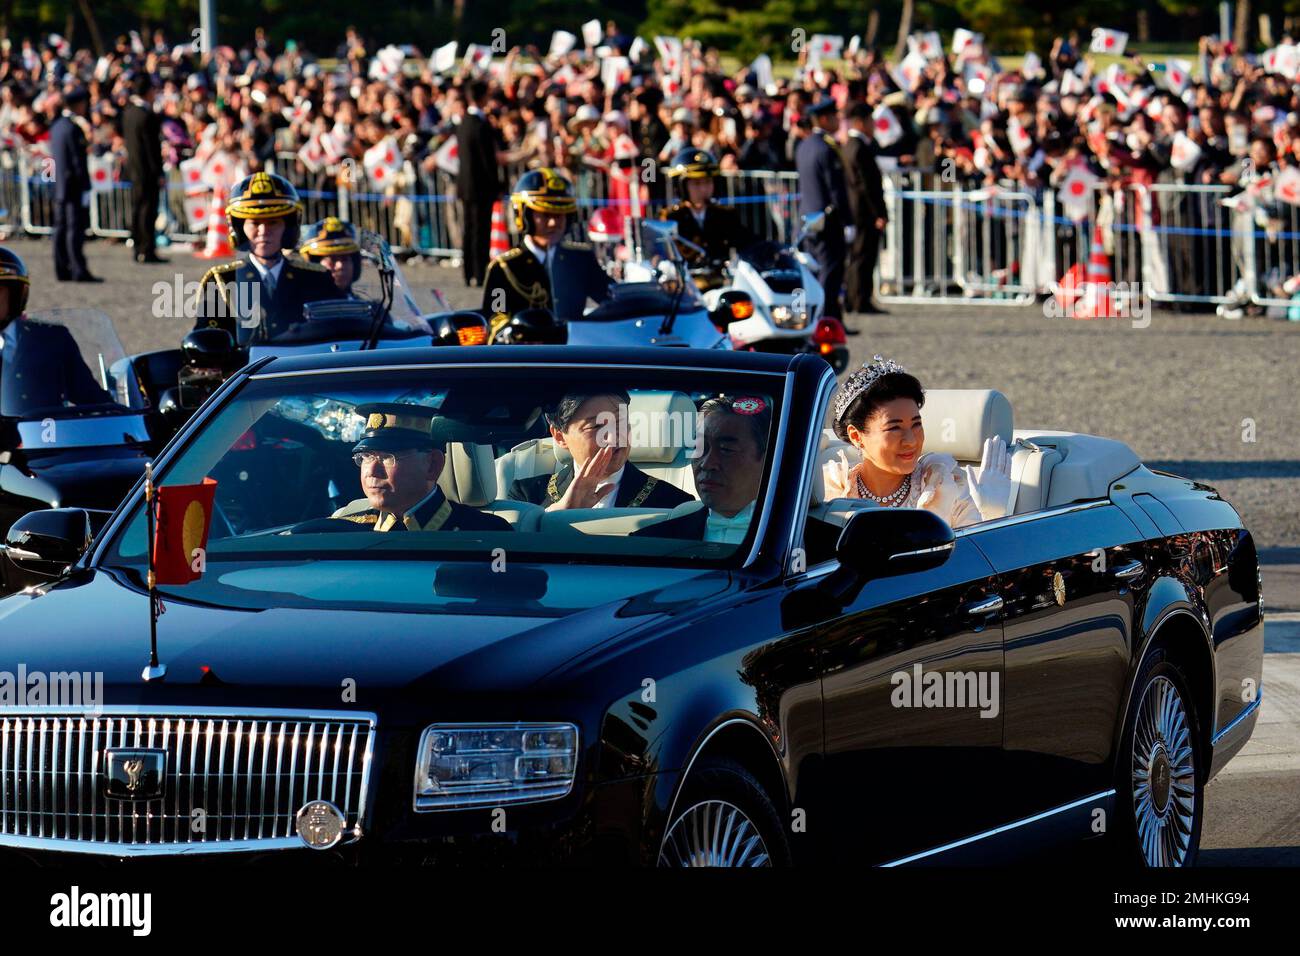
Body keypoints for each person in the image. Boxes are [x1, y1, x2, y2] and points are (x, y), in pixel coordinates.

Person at [822, 356, 1011, 527]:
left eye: (916, 424)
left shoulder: (944, 484)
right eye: (894, 428)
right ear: (856, 436)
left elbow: (974, 559)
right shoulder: (831, 490)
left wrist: (991, 514)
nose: (911, 441)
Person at [192, 171, 341, 344]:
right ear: (239, 229)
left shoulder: (317, 277)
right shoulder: (221, 280)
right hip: (249, 369)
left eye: (273, 222)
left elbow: (335, 335)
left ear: (289, 227)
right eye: (254, 223)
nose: (263, 231)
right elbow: (208, 341)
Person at [331, 403, 512, 532]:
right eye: (366, 457)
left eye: (387, 457)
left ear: (433, 465)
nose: (371, 471)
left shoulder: (488, 535)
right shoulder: (344, 528)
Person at [507, 389, 694, 510]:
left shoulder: (673, 504)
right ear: (559, 436)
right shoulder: (527, 496)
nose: (613, 438)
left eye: (619, 421)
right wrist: (559, 514)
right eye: (596, 427)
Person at [481, 168, 610, 338]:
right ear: (524, 215)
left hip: (574, 352)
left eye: (560, 215)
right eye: (545, 214)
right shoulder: (504, 267)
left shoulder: (580, 259)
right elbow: (496, 317)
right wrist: (511, 332)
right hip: (528, 355)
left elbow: (610, 298)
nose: (553, 223)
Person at [632, 395, 771, 543]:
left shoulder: (794, 535)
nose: (706, 464)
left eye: (726, 449)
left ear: (768, 459)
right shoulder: (648, 542)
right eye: (699, 448)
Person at [795, 97, 851, 324]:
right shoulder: (826, 148)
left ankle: (829, 318)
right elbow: (836, 190)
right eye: (835, 116)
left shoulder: (804, 145)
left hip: (809, 217)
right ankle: (826, 320)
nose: (838, 120)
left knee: (817, 272)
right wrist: (848, 220)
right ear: (825, 119)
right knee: (830, 272)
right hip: (828, 220)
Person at [660, 148, 757, 272]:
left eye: (708, 182)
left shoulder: (725, 215)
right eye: (696, 183)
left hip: (720, 281)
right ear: (681, 187)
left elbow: (747, 243)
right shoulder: (670, 218)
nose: (703, 189)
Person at [841, 103, 888, 315]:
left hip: (856, 210)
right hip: (865, 212)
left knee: (857, 256)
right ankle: (860, 299)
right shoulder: (859, 147)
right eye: (870, 120)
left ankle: (854, 298)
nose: (874, 125)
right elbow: (866, 185)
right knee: (863, 257)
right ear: (860, 122)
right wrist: (878, 213)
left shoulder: (850, 145)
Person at [49, 87, 99, 282]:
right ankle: (78, 269)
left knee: (60, 229)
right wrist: (85, 185)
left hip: (59, 185)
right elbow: (77, 162)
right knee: (74, 230)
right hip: (73, 186)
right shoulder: (72, 127)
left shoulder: (57, 126)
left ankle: (62, 269)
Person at [457, 80, 502, 288]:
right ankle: (480, 272)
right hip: (481, 187)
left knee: (469, 230)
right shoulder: (481, 124)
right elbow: (487, 160)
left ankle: (468, 273)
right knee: (481, 231)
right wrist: (496, 185)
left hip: (466, 186)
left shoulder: (464, 121)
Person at [122, 72, 165, 264]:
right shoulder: (147, 116)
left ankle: (137, 246)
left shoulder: (129, 113)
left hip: (133, 170)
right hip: (147, 171)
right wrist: (158, 172)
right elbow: (152, 149)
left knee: (137, 209)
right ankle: (147, 249)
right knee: (148, 210)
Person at [298, 216, 362, 294]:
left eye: (345, 259)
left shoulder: (365, 305)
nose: (340, 265)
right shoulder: (294, 304)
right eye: (332, 259)